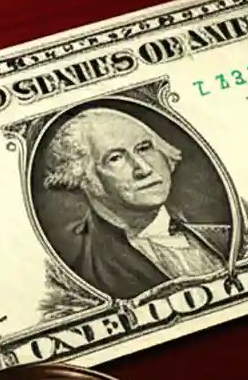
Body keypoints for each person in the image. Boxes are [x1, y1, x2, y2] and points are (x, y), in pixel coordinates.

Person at [42, 107, 230, 299]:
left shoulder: (224, 238)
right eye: (115, 158)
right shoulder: (83, 274)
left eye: (144, 148)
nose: (144, 169)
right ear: (82, 177)